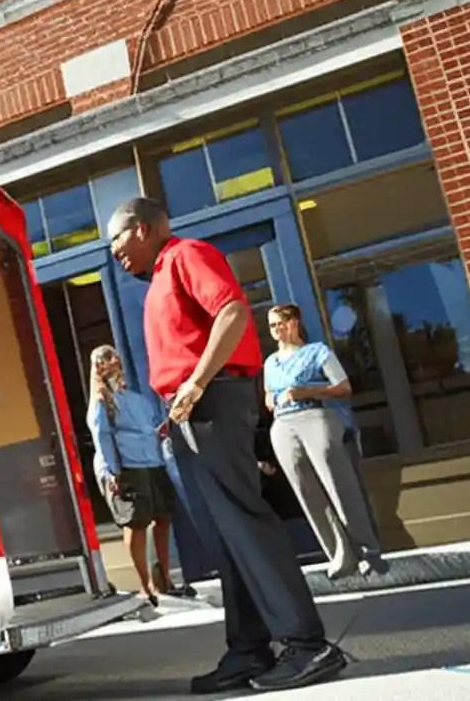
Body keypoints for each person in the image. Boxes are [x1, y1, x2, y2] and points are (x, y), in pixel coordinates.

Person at [107, 197, 345, 694]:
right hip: (193, 409)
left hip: (212, 399)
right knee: (227, 534)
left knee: (245, 520)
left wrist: (195, 384)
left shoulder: (186, 255)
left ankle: (307, 645)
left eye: (117, 238)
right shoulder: (157, 279)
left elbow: (233, 311)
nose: (114, 252)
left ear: (145, 228)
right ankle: (248, 649)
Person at [263, 303, 388, 579]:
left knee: (338, 484)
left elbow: (344, 388)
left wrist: (306, 391)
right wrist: (271, 399)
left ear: (294, 322)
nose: (276, 330)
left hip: (315, 418)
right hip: (283, 426)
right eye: (272, 326)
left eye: (280, 323)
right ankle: (340, 554)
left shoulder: (317, 352)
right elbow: (268, 395)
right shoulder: (270, 363)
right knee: (307, 492)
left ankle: (368, 550)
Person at [86, 345, 177, 605]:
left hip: (153, 463)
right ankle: (144, 583)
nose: (113, 362)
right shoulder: (101, 403)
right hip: (127, 468)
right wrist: (113, 471)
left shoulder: (136, 398)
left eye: (114, 357)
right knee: (135, 523)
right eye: (105, 359)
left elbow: (150, 425)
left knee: (163, 517)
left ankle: (164, 578)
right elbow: (102, 436)